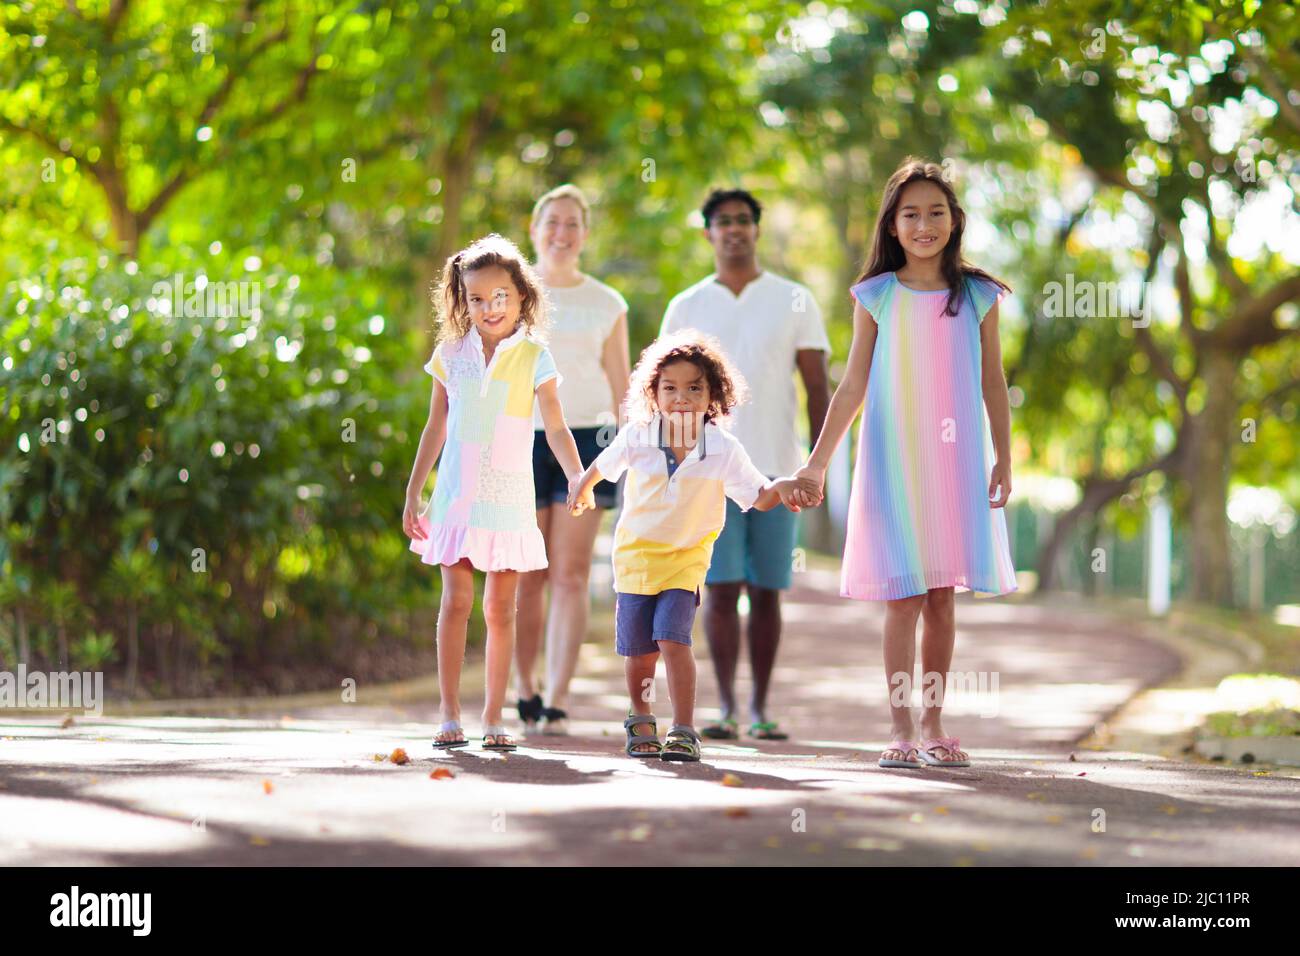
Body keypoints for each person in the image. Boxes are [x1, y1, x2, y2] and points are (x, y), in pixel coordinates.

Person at [791, 157, 1017, 769]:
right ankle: (898, 728)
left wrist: (1004, 457)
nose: (924, 225)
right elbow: (852, 385)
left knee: (942, 596)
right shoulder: (877, 295)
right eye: (910, 214)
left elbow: (993, 381)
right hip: (893, 457)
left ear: (954, 221)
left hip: (957, 460)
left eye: (936, 213)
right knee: (903, 597)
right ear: (892, 225)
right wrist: (816, 464)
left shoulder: (979, 296)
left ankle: (936, 722)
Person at [566, 331, 815, 761]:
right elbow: (600, 468)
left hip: (687, 559)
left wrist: (786, 486)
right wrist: (583, 487)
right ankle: (641, 718)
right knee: (640, 653)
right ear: (654, 394)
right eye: (671, 389)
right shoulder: (638, 436)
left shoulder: (721, 448)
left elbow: (757, 494)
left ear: (713, 395)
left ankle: (683, 728)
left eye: (694, 388)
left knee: (674, 641)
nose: (681, 398)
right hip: (636, 559)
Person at [403, 234, 592, 752]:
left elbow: (555, 426)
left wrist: (577, 475)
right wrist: (414, 491)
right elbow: (435, 426)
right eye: (477, 298)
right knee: (457, 600)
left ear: (522, 296)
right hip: (457, 499)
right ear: (461, 300)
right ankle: (448, 713)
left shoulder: (535, 356)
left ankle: (493, 716)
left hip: (508, 500)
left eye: (500, 296)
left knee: (500, 610)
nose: (489, 307)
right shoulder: (450, 355)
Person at [660, 188, 831, 741]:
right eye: (721, 222)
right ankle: (726, 708)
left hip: (780, 469)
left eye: (742, 221)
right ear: (707, 233)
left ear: (756, 229)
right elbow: (663, 394)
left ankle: (760, 707)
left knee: (767, 589)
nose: (733, 229)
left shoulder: (794, 299)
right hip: (709, 472)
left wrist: (816, 463)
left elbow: (817, 387)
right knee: (721, 586)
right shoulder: (686, 306)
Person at [516, 184, 631, 736]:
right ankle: (524, 687)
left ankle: (558, 696)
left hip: (588, 440)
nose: (561, 234)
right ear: (534, 229)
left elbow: (622, 383)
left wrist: (631, 449)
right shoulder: (509, 292)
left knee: (570, 573)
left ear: (584, 234)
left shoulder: (608, 303)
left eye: (572, 225)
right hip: (520, 436)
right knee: (527, 573)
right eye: (551, 223)